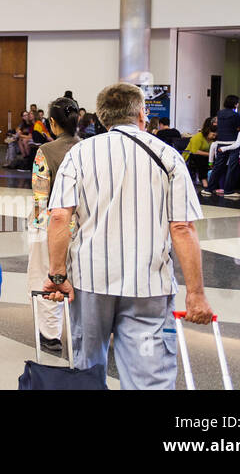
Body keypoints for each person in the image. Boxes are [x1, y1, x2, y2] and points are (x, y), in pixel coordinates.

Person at [43, 82, 213, 389]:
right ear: (142, 114)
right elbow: (182, 228)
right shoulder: (168, 156)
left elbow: (58, 217)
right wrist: (196, 294)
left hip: (89, 281)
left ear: (102, 118)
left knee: (87, 369)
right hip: (148, 285)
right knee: (149, 375)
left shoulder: (79, 154)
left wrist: (57, 275)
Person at [28, 97, 81, 356]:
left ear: (51, 122)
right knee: (80, 278)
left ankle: (50, 335)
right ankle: (83, 329)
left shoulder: (45, 151)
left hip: (52, 224)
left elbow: (41, 197)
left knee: (46, 276)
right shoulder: (88, 148)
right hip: (83, 226)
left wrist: (38, 228)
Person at [207, 95, 240, 197]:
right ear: (235, 104)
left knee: (218, 166)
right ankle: (228, 190)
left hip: (221, 142)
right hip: (233, 144)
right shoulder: (236, 115)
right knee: (232, 167)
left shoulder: (220, 113)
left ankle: (209, 188)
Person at [182, 122, 215, 188]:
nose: (214, 137)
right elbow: (195, 151)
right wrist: (210, 154)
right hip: (190, 156)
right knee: (200, 158)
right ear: (207, 132)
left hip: (206, 157)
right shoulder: (198, 137)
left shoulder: (212, 139)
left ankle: (214, 179)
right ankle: (204, 179)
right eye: (213, 135)